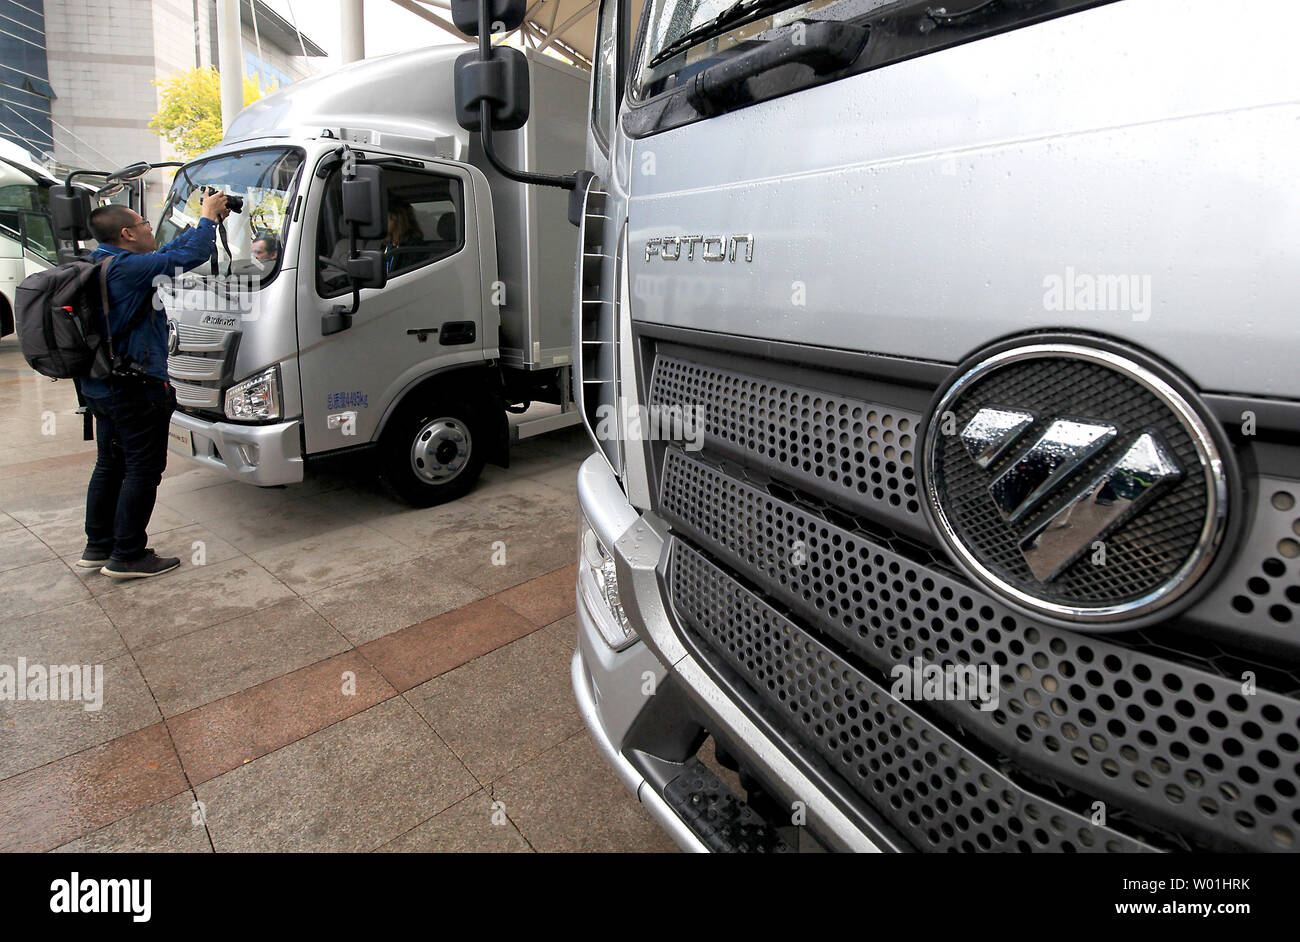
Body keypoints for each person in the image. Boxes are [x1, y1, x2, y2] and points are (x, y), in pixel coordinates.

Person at [78, 191, 228, 579]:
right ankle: (128, 554)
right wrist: (208, 219)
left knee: (109, 464)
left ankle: (98, 546)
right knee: (142, 469)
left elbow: (167, 254)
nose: (150, 229)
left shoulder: (101, 262)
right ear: (127, 234)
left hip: (100, 385)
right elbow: (184, 257)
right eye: (146, 225)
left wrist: (201, 223)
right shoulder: (130, 269)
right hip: (135, 386)